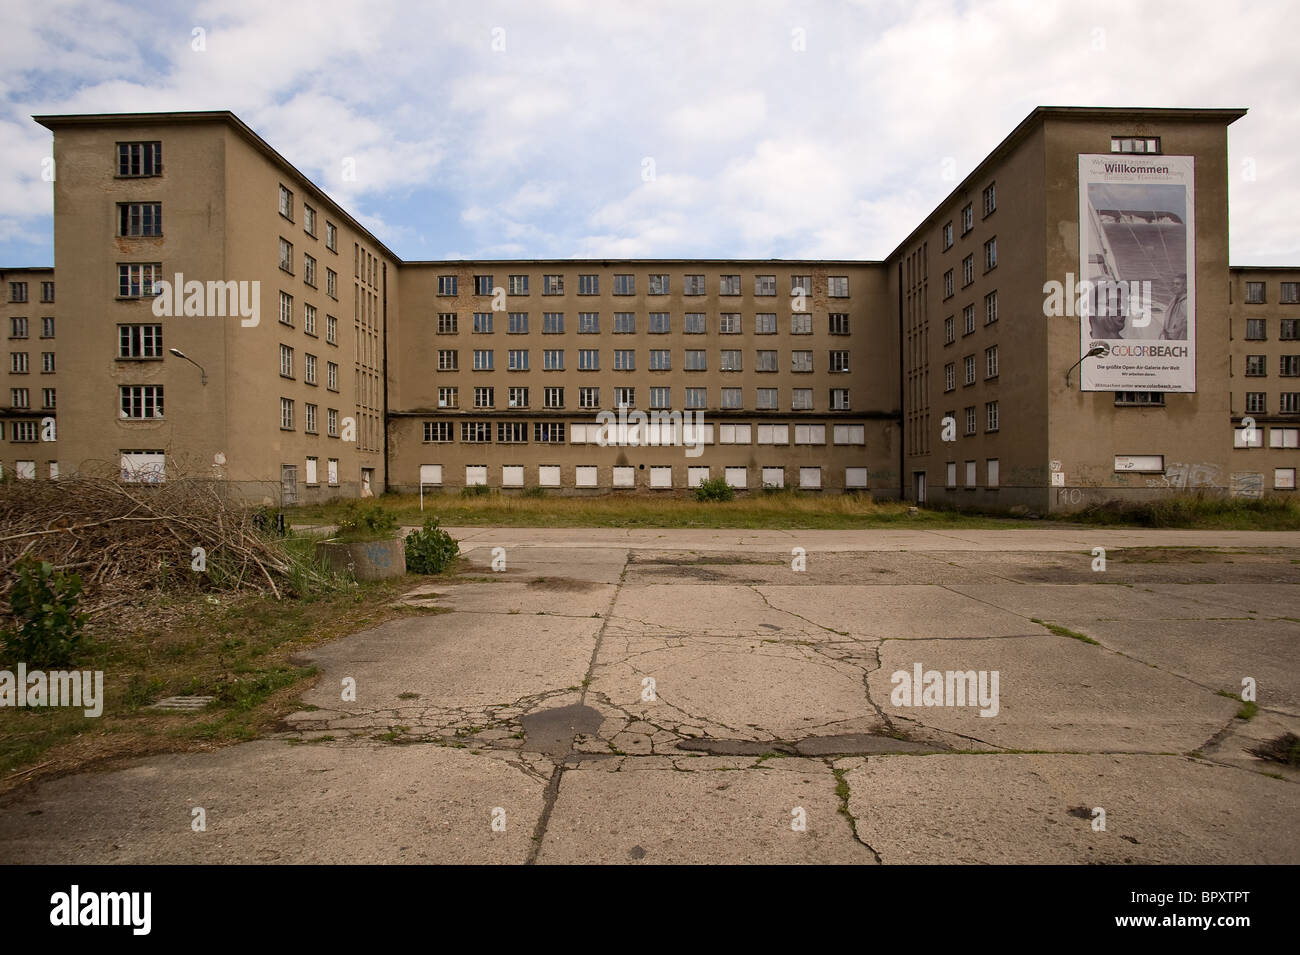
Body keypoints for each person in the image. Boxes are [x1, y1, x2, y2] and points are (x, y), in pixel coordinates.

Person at [1160, 274, 1188, 340]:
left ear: (1185, 286)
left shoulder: (1186, 302)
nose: (1174, 286)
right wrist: (1164, 330)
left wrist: (1174, 331)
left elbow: (1191, 324)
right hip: (1169, 338)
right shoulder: (1174, 299)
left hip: (1179, 340)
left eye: (1177, 284)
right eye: (1173, 284)